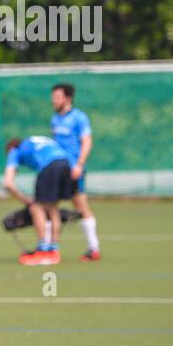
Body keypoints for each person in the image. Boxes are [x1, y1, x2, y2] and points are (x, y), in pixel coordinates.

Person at [3, 135, 75, 265]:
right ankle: (53, 251)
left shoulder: (14, 151)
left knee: (36, 207)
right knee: (53, 208)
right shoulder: (34, 141)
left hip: (50, 166)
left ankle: (42, 251)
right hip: (66, 164)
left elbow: (8, 183)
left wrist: (25, 201)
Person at [51, 82, 101, 261]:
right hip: (58, 169)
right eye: (53, 97)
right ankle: (50, 248)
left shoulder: (79, 118)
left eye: (57, 97)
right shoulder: (55, 119)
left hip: (74, 170)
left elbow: (87, 141)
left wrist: (79, 164)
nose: (54, 100)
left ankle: (93, 248)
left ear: (68, 98)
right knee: (50, 205)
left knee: (81, 206)